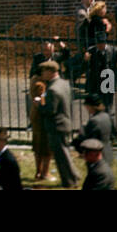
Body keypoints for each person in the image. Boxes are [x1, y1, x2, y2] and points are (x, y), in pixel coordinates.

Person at [38, 60, 79, 188]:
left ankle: (69, 181)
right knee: (65, 152)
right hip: (65, 123)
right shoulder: (64, 83)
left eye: (43, 72)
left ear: (50, 72)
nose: (42, 74)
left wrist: (39, 104)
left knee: (61, 156)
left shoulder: (52, 89)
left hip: (56, 126)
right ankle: (74, 176)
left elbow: (50, 110)